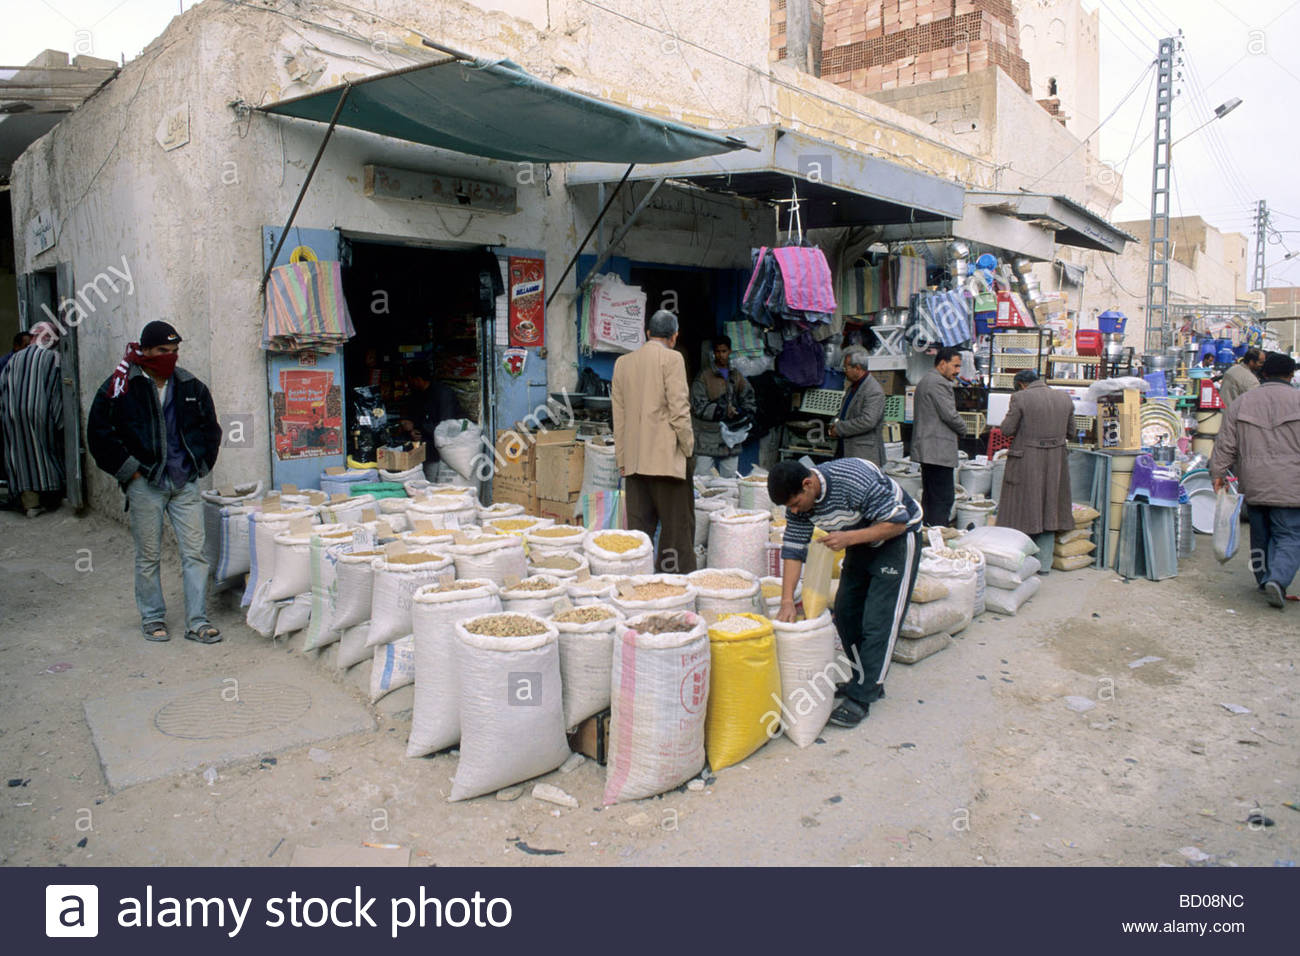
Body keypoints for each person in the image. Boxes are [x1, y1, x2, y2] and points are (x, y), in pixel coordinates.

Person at [87, 321, 224, 643]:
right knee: (148, 556)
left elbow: (210, 429)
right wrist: (130, 471)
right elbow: (99, 434)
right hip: (145, 484)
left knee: (195, 554)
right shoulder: (120, 387)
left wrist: (199, 466)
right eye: (163, 351)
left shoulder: (191, 386)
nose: (170, 357)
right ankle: (152, 617)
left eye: (175, 351)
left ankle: (198, 621)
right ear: (145, 351)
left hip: (183, 483)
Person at [768, 458, 922, 728]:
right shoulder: (800, 506)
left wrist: (847, 538)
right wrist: (786, 601)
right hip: (860, 538)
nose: (793, 510)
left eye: (794, 503)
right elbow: (793, 549)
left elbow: (898, 522)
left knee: (879, 620)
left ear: (808, 484)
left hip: (897, 538)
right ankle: (864, 678)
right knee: (846, 613)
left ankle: (864, 695)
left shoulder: (853, 479)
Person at [1209, 351, 1300, 609]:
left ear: (1264, 373)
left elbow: (1225, 444)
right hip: (1292, 485)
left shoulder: (1242, 403)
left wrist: (1218, 474)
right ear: (1291, 374)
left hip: (1255, 484)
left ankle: (1263, 580)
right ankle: (1279, 580)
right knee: (1290, 535)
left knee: (1260, 535)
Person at [612, 309, 696, 573]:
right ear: (674, 336)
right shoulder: (673, 358)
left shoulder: (623, 363)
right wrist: (688, 448)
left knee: (639, 533)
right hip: (666, 461)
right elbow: (679, 410)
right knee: (675, 532)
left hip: (635, 463)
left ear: (647, 333)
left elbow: (619, 418)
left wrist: (622, 460)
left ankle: (637, 582)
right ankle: (673, 587)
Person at [996, 369, 1074, 549]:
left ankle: (1020, 553)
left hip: (1027, 459)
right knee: (1050, 505)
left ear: (1022, 385)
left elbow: (1007, 430)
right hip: (1056, 460)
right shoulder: (1064, 398)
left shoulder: (1020, 398)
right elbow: (1071, 432)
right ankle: (1045, 561)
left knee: (1024, 505)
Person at [0, 322, 64, 517]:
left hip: (11, 414)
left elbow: (3, 386)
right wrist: (61, 423)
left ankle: (30, 504)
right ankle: (50, 495)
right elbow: (55, 393)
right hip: (39, 412)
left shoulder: (13, 359)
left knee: (21, 457)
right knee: (44, 455)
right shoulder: (52, 357)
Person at [911, 347, 967, 527]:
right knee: (942, 499)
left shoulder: (928, 380)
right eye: (955, 366)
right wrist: (964, 429)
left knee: (932, 497)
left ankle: (929, 533)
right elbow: (949, 415)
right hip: (937, 451)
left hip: (930, 450)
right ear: (942, 363)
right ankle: (937, 535)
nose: (958, 371)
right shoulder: (938, 383)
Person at [690, 334, 756, 478]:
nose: (721, 355)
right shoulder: (704, 376)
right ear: (714, 353)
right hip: (707, 435)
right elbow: (698, 406)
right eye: (717, 352)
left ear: (730, 351)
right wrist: (722, 411)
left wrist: (741, 413)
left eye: (724, 351)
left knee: (730, 477)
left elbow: (749, 398)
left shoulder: (736, 376)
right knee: (701, 476)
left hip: (731, 435)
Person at [399, 364, 464, 475]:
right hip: (424, 448)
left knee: (434, 477)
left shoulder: (443, 394)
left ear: (418, 379)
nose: (408, 384)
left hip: (442, 450)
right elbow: (417, 418)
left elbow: (445, 426)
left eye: (409, 380)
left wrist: (420, 429)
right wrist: (411, 427)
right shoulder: (417, 394)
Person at [830, 346, 885, 465]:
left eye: (846, 367)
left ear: (858, 368)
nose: (844, 371)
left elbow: (868, 421)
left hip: (863, 453)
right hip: (846, 448)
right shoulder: (853, 387)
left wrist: (839, 428)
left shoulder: (873, 390)